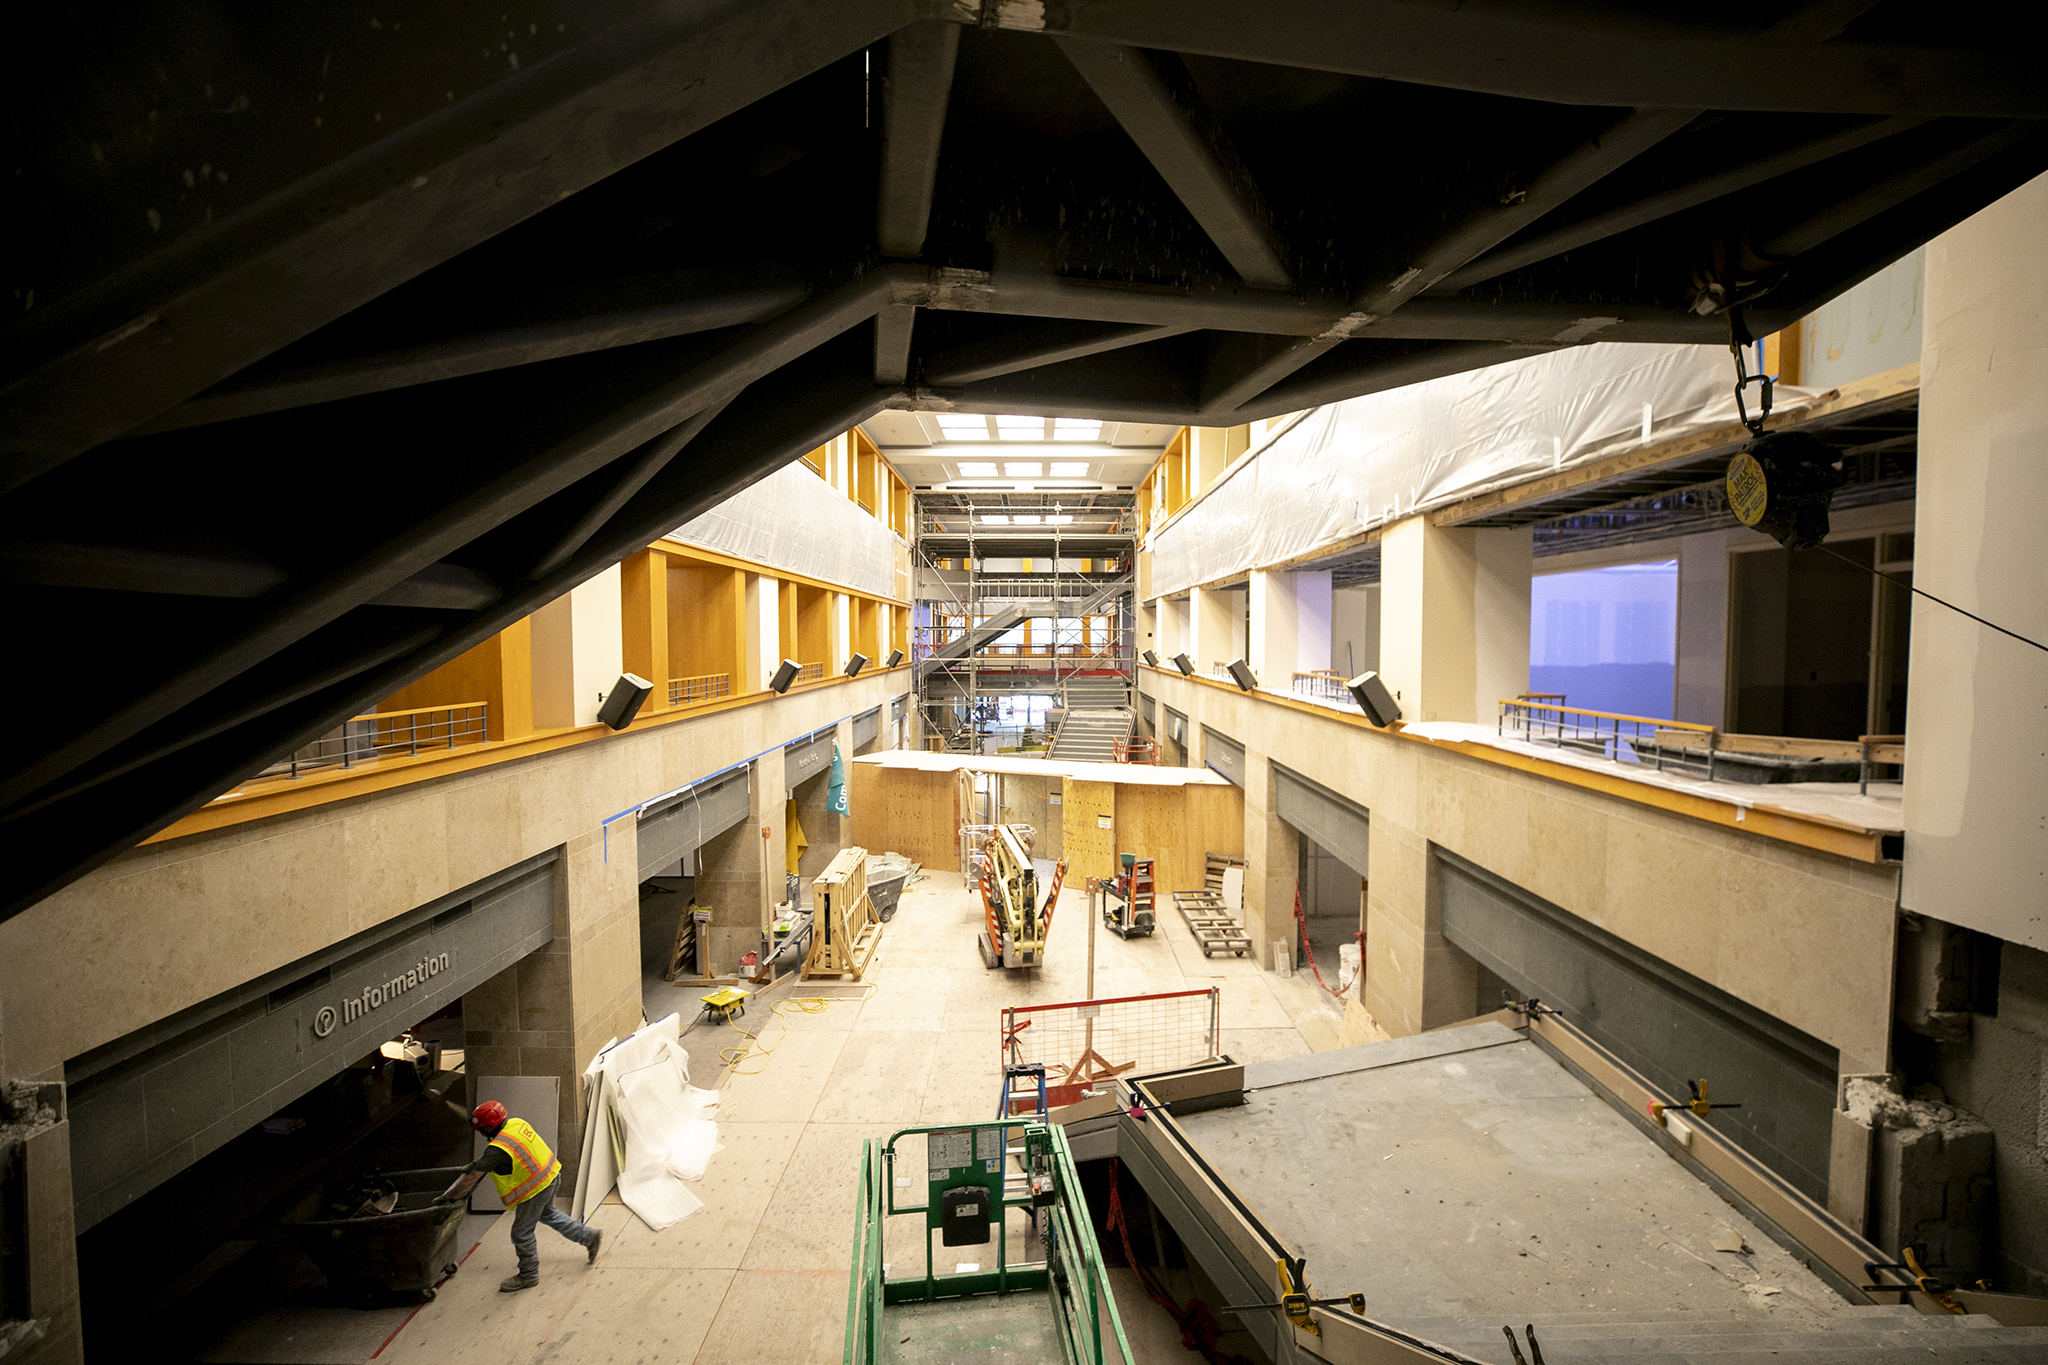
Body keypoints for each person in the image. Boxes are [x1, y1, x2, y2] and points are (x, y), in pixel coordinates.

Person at [460, 1100, 602, 1291]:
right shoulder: (516, 1124)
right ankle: (589, 1237)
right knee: (548, 1214)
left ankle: (528, 1275)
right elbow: (498, 1152)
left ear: (487, 1128)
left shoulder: (496, 1148)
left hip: (535, 1189)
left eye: (480, 1129)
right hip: (551, 1174)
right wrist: (479, 1163)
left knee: (521, 1233)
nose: (479, 1132)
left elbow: (471, 1179)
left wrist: (450, 1197)